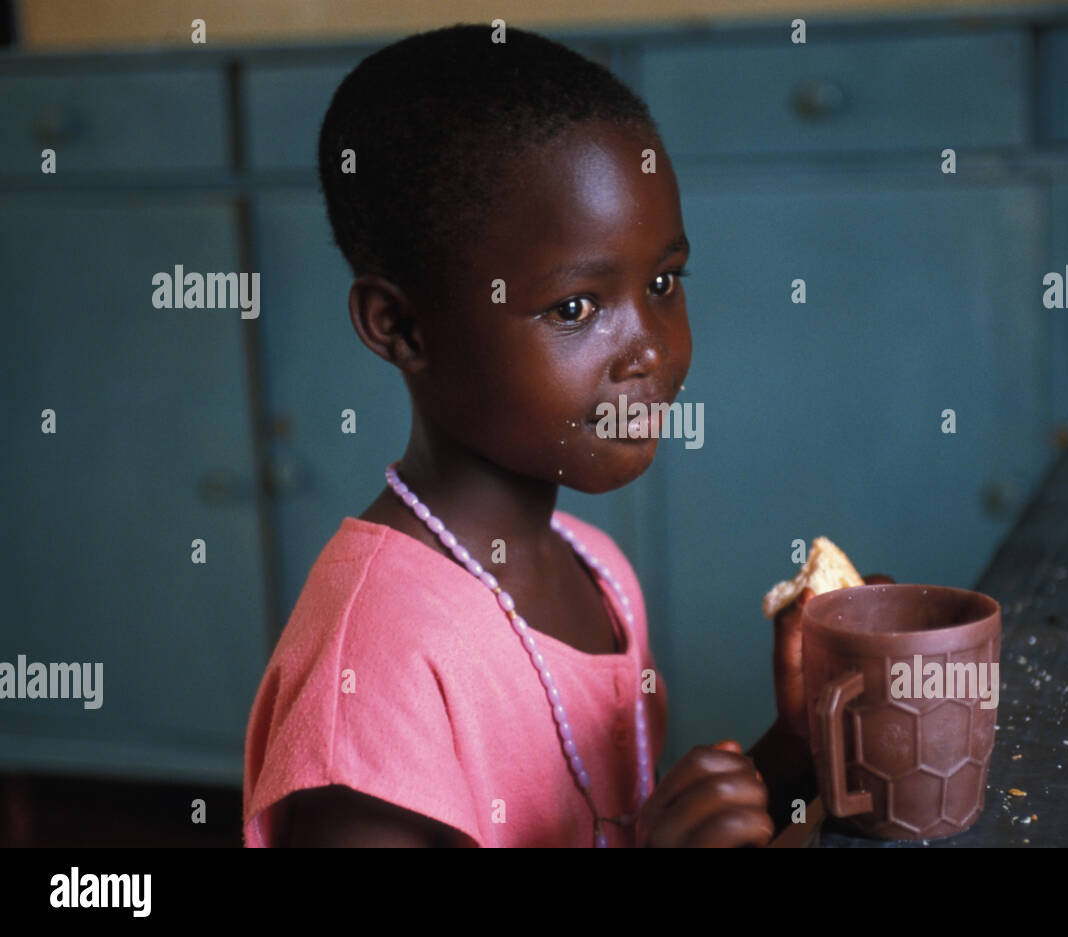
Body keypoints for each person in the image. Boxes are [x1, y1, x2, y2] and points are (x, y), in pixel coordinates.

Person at [243, 22, 878, 848]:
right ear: (400, 325)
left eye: (662, 282)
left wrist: (799, 745)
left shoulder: (598, 572)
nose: (647, 348)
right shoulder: (371, 678)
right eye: (575, 307)